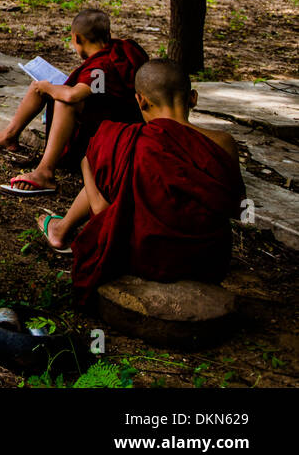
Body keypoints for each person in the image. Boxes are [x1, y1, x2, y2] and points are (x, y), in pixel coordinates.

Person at [33, 59, 244, 304]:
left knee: (97, 164)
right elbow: (238, 206)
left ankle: (60, 229)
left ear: (140, 100)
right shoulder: (224, 143)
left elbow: (101, 209)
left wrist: (86, 165)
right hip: (208, 263)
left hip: (143, 259)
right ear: (193, 98)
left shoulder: (127, 139)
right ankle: (61, 227)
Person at [0, 8, 148, 197]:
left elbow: (74, 96)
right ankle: (9, 135)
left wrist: (49, 88)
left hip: (109, 132)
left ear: (76, 39)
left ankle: (45, 172)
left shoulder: (101, 67)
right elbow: (100, 92)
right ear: (108, 35)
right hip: (112, 115)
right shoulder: (123, 49)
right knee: (41, 87)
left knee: (63, 100)